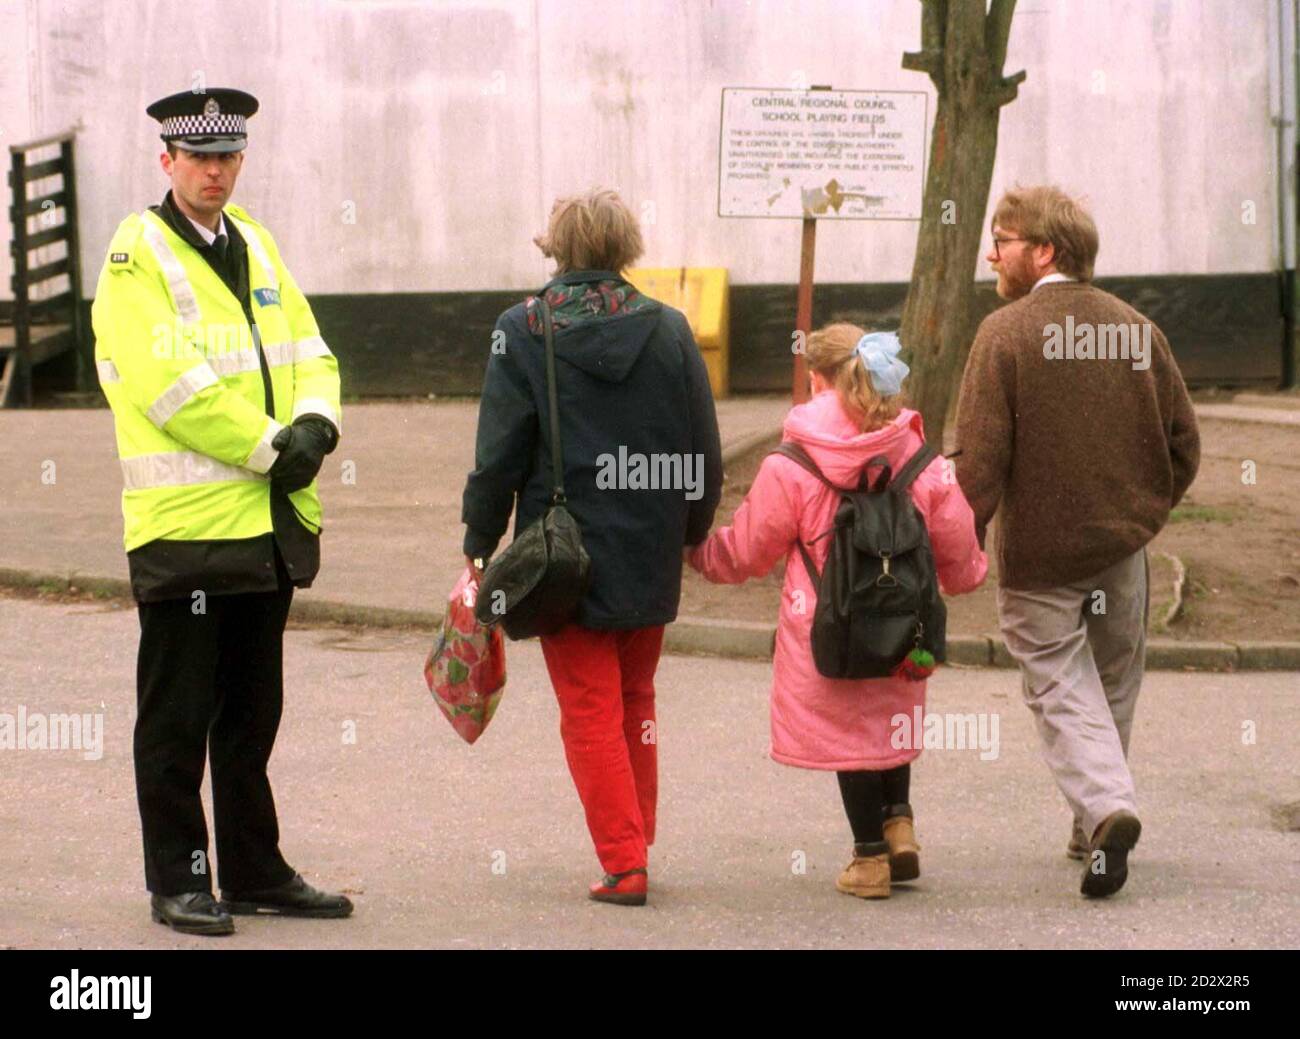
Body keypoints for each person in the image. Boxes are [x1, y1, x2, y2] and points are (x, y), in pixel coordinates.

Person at [91, 87, 351, 935]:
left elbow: (310, 349)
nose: (216, 171)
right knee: (175, 720)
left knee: (250, 716)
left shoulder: (258, 244)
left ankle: (252, 868)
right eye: (200, 157)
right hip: (186, 533)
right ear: (167, 161)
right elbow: (172, 389)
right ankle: (179, 878)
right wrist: (277, 445)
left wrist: (318, 423)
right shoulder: (136, 255)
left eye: (228, 156)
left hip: (264, 528)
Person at [461, 188, 722, 906]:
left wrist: (479, 541)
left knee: (588, 706)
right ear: (626, 246)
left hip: (562, 554)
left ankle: (624, 860)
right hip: (650, 543)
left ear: (557, 247)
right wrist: (692, 528)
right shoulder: (671, 329)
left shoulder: (522, 328)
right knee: (636, 695)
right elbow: (703, 447)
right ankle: (636, 837)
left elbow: (499, 452)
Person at [954, 184, 1200, 898]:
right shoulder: (1137, 329)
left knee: (1059, 683)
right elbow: (1184, 445)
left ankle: (1106, 807)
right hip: (1123, 550)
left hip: (1039, 556)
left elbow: (978, 463)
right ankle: (1092, 821)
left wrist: (960, 544)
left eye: (1002, 242)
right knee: (1113, 680)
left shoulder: (1004, 334)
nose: (992, 255)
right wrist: (1143, 511)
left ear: (1043, 251)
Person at [687, 324, 987, 899]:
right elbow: (956, 540)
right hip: (906, 622)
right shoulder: (918, 453)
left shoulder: (793, 462)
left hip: (832, 625)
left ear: (818, 380)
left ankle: (869, 858)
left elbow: (748, 550)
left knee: (851, 735)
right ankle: (899, 824)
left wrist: (698, 554)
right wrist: (968, 574)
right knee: (889, 717)